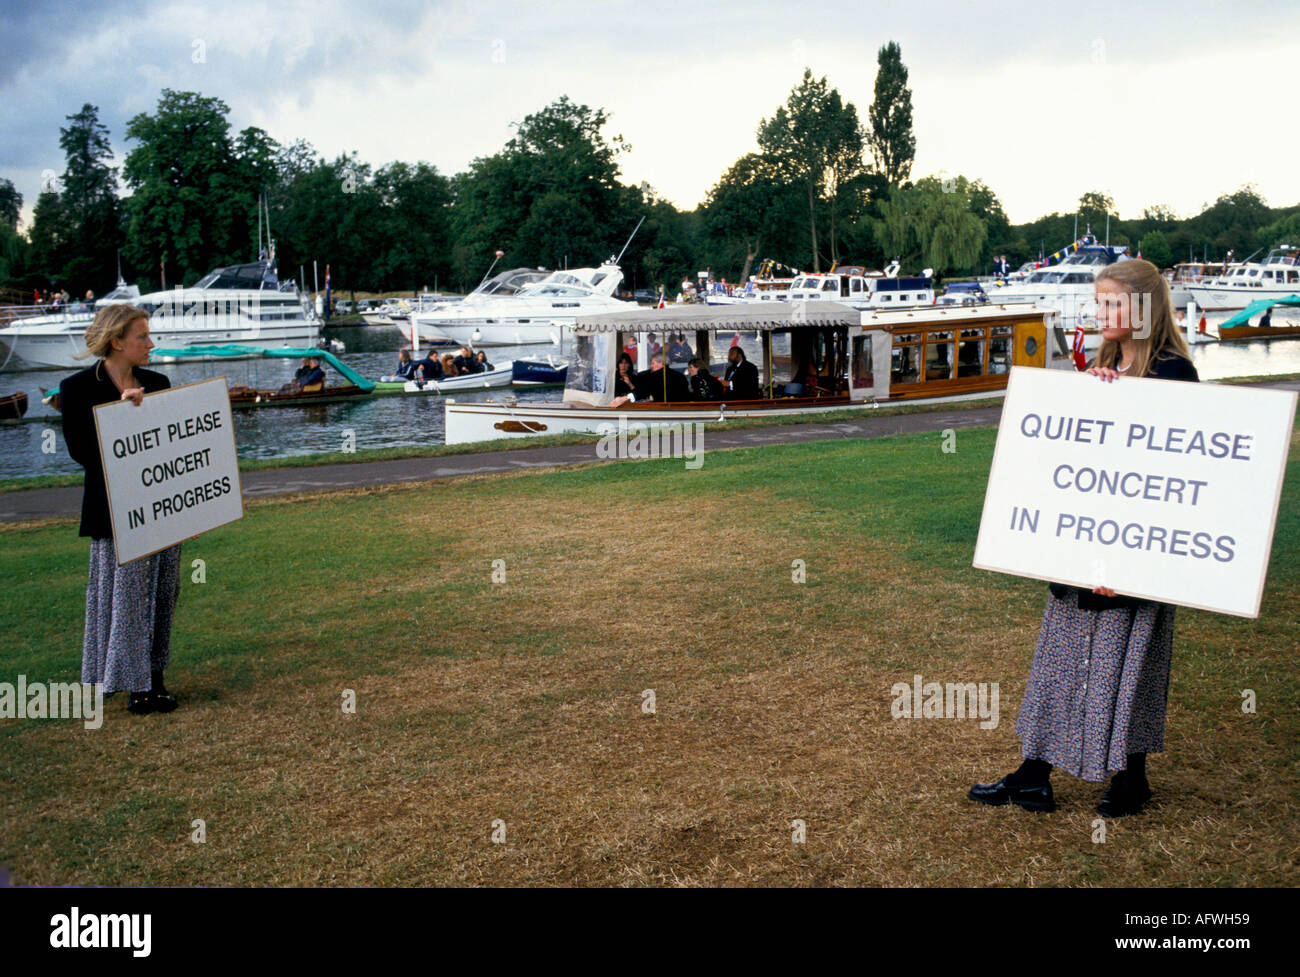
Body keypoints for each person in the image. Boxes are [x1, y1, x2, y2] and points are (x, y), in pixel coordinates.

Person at [969, 258, 1198, 818]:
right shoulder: (1104, 363)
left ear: (1145, 309)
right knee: (1063, 658)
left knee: (1129, 662)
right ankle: (1034, 774)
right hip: (1085, 546)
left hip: (1137, 551)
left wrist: (1129, 564)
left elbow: (1173, 477)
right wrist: (1091, 396)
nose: (1102, 315)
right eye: (1099, 304)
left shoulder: (1173, 374)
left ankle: (1130, 778)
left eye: (1114, 304)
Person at [58, 305, 181, 716]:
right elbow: (82, 451)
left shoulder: (158, 382)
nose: (151, 344)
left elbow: (176, 451)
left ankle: (155, 680)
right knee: (126, 599)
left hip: (163, 511)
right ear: (117, 342)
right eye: (142, 337)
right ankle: (132, 687)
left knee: (162, 594)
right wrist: (120, 416)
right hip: (114, 514)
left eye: (149, 335)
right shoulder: (76, 388)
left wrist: (195, 509)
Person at [609, 352, 689, 407]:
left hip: (663, 411)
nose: (651, 366)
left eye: (653, 363)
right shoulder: (681, 376)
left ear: (661, 363)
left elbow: (643, 391)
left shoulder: (655, 376)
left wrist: (624, 398)